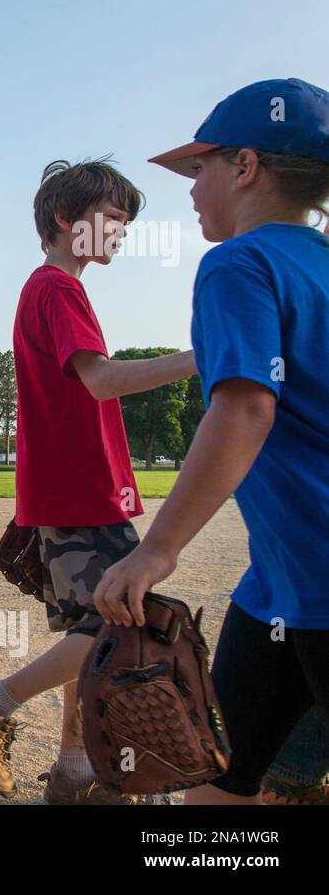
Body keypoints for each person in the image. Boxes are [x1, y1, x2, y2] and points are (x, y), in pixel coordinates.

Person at [96, 78, 329, 805]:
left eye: (200, 170)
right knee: (220, 764)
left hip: (321, 573)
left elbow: (244, 411)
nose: (193, 190)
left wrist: (156, 547)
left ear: (246, 166)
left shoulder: (239, 263)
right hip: (280, 588)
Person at [0, 159, 195, 803]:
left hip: (75, 488)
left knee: (91, 631)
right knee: (123, 630)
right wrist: (207, 357)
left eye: (125, 223)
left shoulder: (53, 288)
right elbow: (104, 379)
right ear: (66, 219)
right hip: (82, 489)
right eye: (111, 218)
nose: (120, 232)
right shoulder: (58, 289)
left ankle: (74, 770)